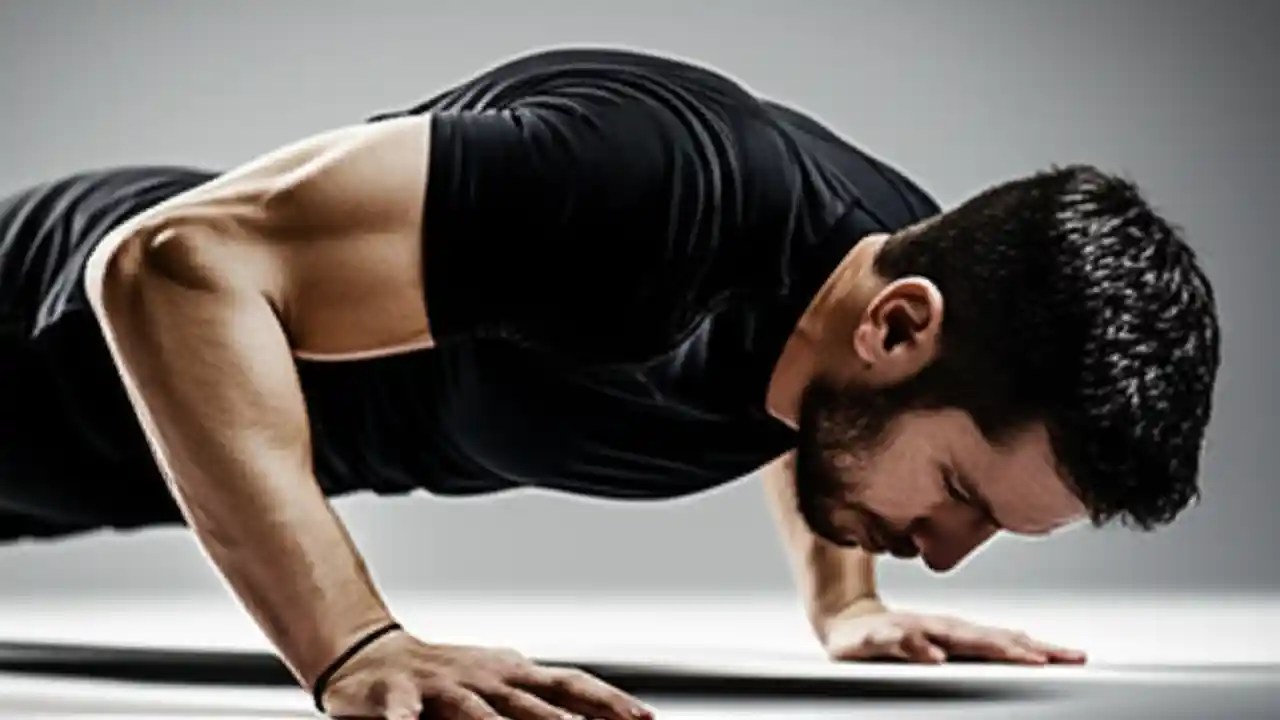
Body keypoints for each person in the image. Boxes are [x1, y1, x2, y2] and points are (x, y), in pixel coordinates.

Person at [0, 46, 1220, 720]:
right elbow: (171, 265)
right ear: (896, 327)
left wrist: (846, 604)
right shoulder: (651, 188)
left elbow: (826, 411)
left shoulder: (886, 279)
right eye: (957, 494)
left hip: (140, 460)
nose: (945, 557)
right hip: (41, 345)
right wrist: (353, 645)